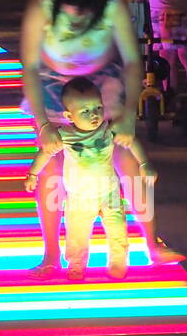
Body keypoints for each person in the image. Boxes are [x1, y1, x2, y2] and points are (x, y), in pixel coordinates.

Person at [20, 0, 185, 277]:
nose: (78, 20)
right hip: (55, 86)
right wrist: (43, 125)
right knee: (53, 167)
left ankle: (152, 244)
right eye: (71, 13)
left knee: (127, 159)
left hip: (102, 85)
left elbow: (133, 61)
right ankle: (52, 254)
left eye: (86, 15)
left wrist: (128, 120)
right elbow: (28, 66)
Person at [25, 77, 156, 282]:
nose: (94, 114)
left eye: (97, 107)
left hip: (110, 192)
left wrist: (144, 164)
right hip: (79, 196)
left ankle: (118, 261)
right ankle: (76, 264)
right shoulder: (64, 135)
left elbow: (131, 142)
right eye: (85, 111)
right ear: (69, 115)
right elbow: (45, 153)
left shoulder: (108, 130)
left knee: (117, 229)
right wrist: (33, 174)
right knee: (77, 233)